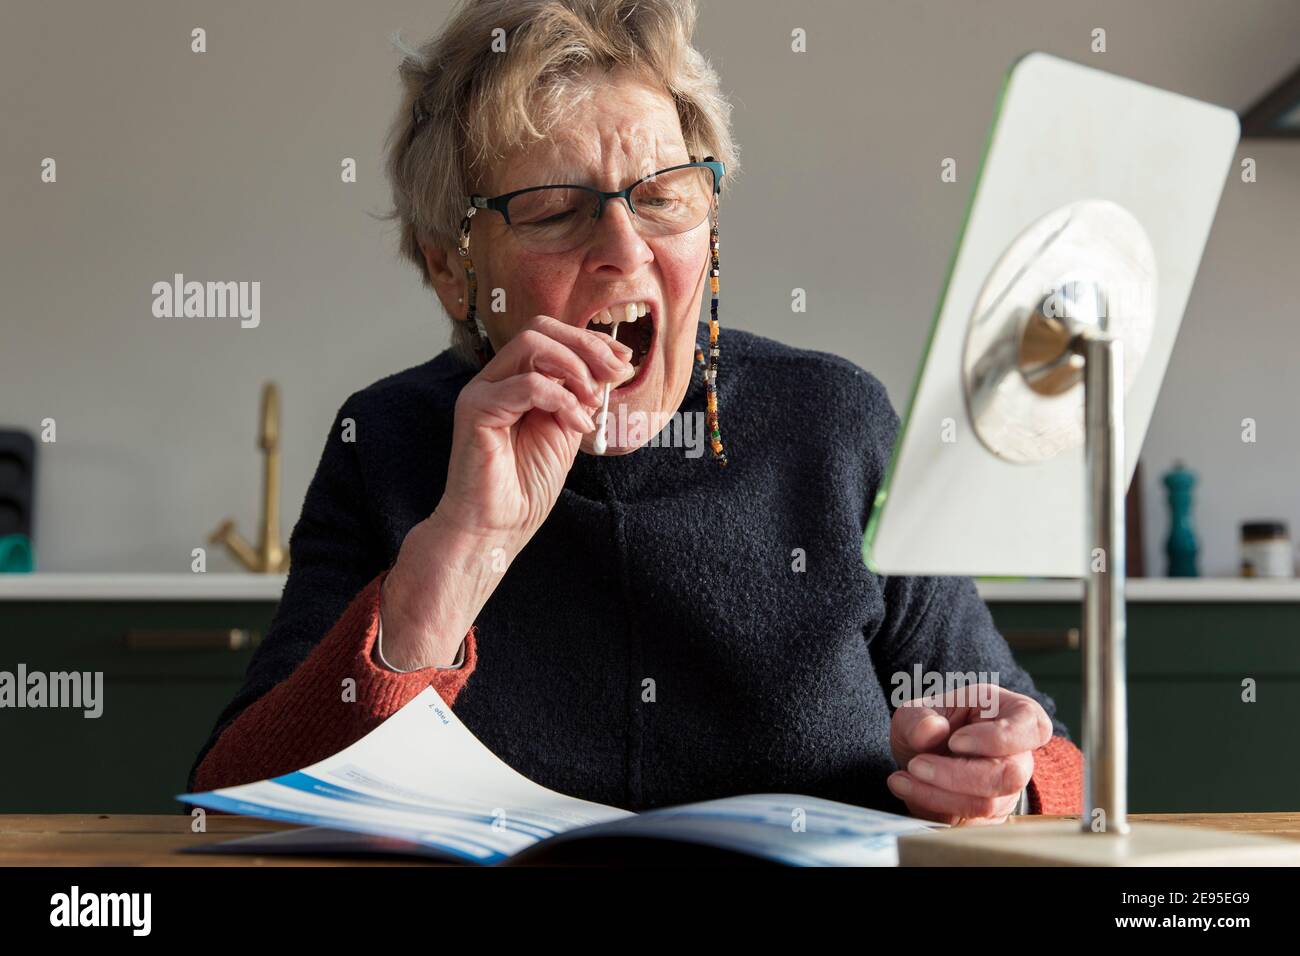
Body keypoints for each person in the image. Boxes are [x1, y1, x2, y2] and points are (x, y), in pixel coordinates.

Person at [189, 0, 1082, 824]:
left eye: (662, 198)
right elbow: (236, 801)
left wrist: (1002, 773)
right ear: (452, 268)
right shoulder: (386, 444)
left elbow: (1050, 763)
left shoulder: (835, 423)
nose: (625, 250)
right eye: (551, 211)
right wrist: (457, 554)